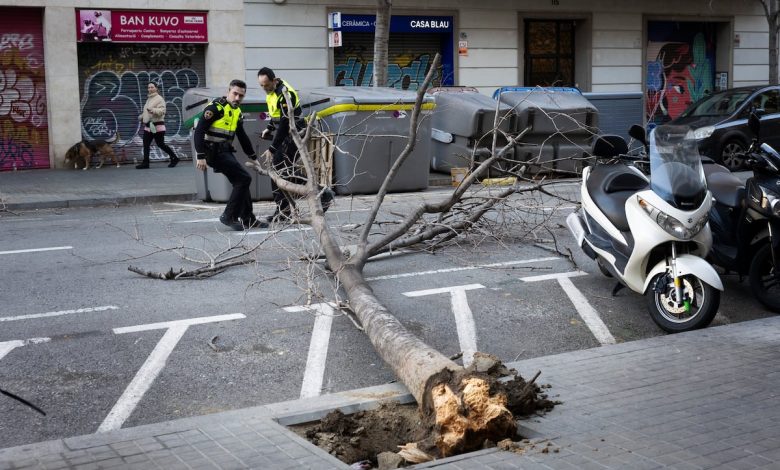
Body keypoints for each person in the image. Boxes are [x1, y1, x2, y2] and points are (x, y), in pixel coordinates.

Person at [257, 67, 334, 223]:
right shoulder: (272, 92)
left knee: (280, 170)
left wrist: (272, 148)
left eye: (266, 84)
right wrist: (269, 128)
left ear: (274, 80)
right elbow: (276, 115)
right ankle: (285, 210)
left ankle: (320, 193)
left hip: (294, 134)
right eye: (261, 85)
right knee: (281, 171)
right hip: (284, 134)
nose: (264, 88)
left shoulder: (285, 93)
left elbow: (286, 122)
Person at [193, 79, 267, 231]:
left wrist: (253, 157)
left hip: (225, 151)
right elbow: (199, 131)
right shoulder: (216, 108)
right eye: (235, 94)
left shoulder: (237, 112)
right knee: (244, 179)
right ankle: (229, 216)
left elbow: (243, 137)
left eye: (241, 96)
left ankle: (248, 219)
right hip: (212, 152)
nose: (237, 98)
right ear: (228, 92)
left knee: (242, 181)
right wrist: (200, 156)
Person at [137, 81, 179, 169]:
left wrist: (153, 110)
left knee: (160, 144)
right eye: (149, 87)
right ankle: (145, 163)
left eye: (152, 87)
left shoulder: (159, 98)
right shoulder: (149, 99)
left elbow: (162, 111)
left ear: (156, 88)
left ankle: (174, 158)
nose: (150, 89)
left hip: (157, 126)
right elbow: (147, 112)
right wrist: (142, 117)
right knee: (146, 144)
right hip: (148, 126)